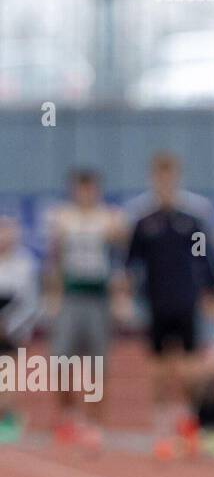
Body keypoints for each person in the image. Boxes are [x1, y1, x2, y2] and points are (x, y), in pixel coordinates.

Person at [124, 152, 214, 458]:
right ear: (153, 178)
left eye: (170, 176)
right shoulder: (143, 222)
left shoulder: (193, 218)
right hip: (156, 303)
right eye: (160, 176)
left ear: (177, 178)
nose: (165, 182)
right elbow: (131, 263)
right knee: (158, 370)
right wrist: (125, 296)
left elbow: (208, 261)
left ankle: (188, 425)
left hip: (187, 303)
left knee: (189, 371)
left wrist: (212, 295)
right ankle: (161, 431)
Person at [45, 169, 128, 450]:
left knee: (97, 363)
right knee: (61, 359)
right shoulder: (62, 218)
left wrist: (119, 296)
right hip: (71, 295)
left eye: (90, 189)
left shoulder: (110, 218)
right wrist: (53, 295)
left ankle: (95, 423)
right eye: (81, 189)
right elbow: (54, 260)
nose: (85, 194)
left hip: (98, 297)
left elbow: (120, 258)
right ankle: (68, 416)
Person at [0, 216, 40, 444]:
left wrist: (10, 326)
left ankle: (9, 419)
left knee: (6, 376)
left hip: (10, 330)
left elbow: (30, 303)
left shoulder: (24, 263)